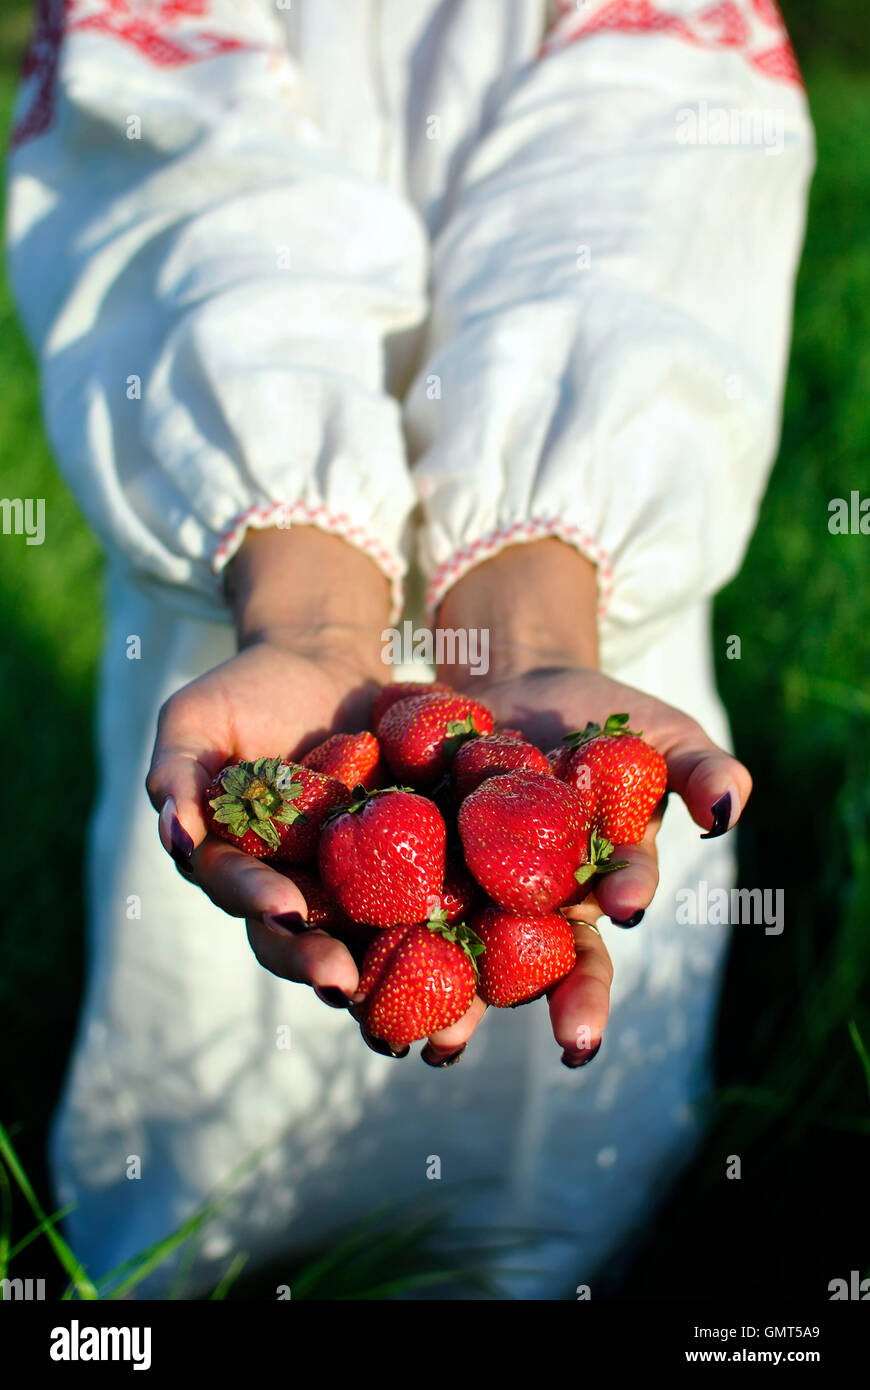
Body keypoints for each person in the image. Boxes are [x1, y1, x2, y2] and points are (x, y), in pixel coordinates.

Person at [6, 0, 813, 1298]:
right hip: (255, 598)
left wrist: (538, 613)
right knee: (215, 1036)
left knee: (541, 1146)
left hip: (561, 602)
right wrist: (311, 606)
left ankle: (536, 1256)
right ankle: (191, 1263)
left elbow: (654, 169)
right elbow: (179, 158)